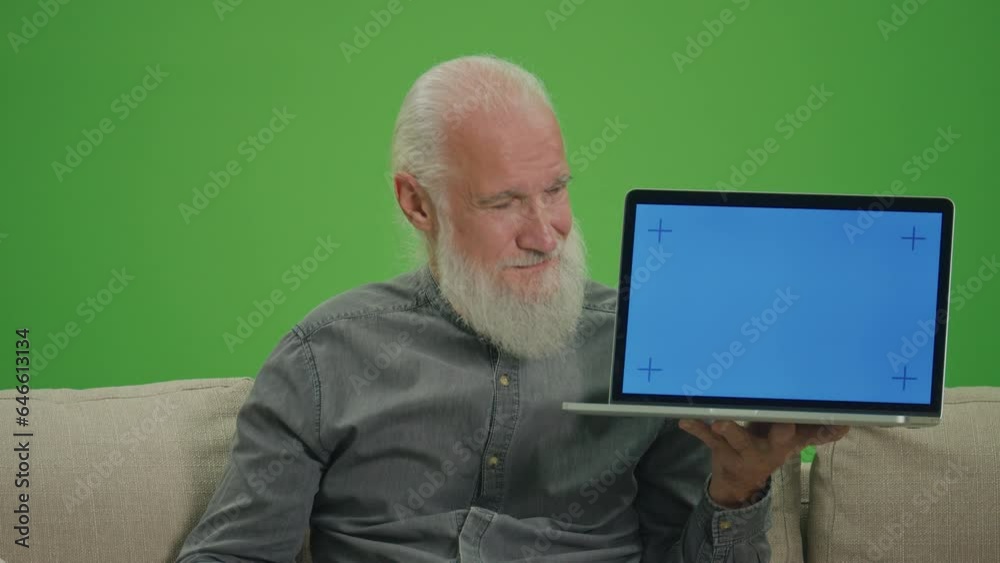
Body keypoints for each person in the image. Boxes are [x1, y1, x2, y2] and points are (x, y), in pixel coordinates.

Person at [175, 54, 849, 563]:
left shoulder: (645, 345)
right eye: (504, 202)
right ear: (417, 203)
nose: (545, 233)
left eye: (555, 190)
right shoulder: (324, 359)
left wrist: (737, 486)